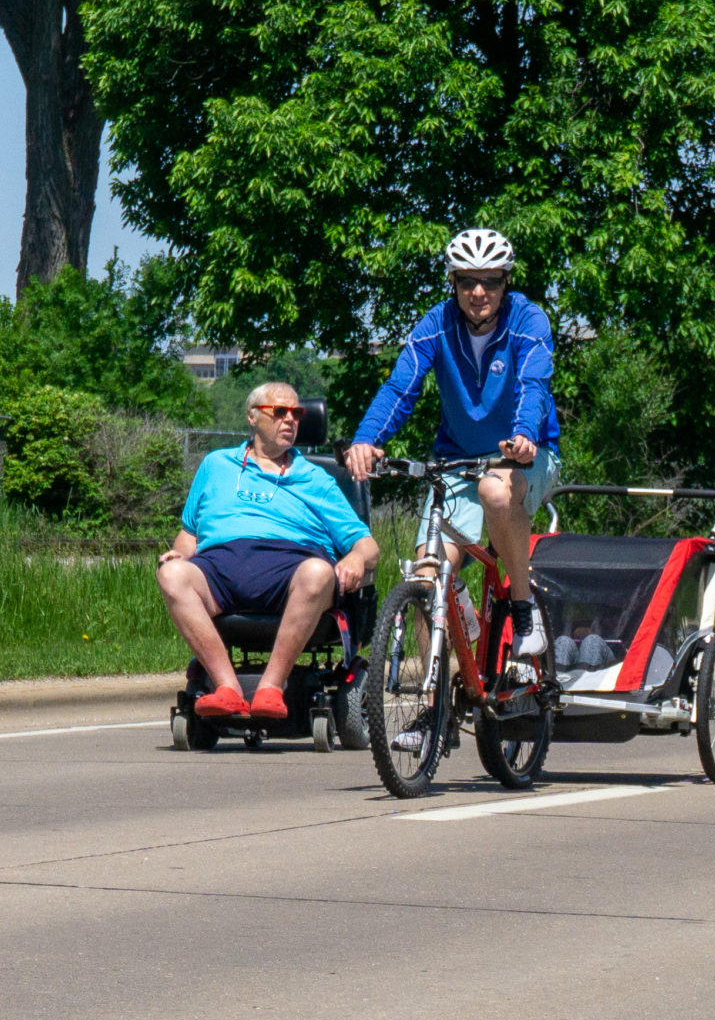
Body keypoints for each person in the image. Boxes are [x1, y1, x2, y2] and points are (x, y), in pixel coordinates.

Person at [345, 228, 562, 659]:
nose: (479, 292)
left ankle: (523, 609)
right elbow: (400, 388)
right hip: (458, 461)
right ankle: (437, 695)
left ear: (506, 282)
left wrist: (523, 435)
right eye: (467, 281)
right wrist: (367, 439)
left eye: (491, 281)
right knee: (428, 577)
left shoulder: (528, 320)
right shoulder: (437, 323)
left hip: (524, 455)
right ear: (453, 283)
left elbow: (533, 384)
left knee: (495, 492)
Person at [158, 381, 379, 721]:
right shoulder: (216, 465)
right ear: (252, 416)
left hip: (290, 573)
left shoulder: (316, 479)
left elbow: (368, 547)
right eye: (279, 412)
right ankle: (227, 687)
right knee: (172, 573)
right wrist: (180, 555)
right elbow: (189, 534)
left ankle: (271, 688)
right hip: (219, 570)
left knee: (318, 572)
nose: (290, 419)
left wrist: (355, 558)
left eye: (296, 414)